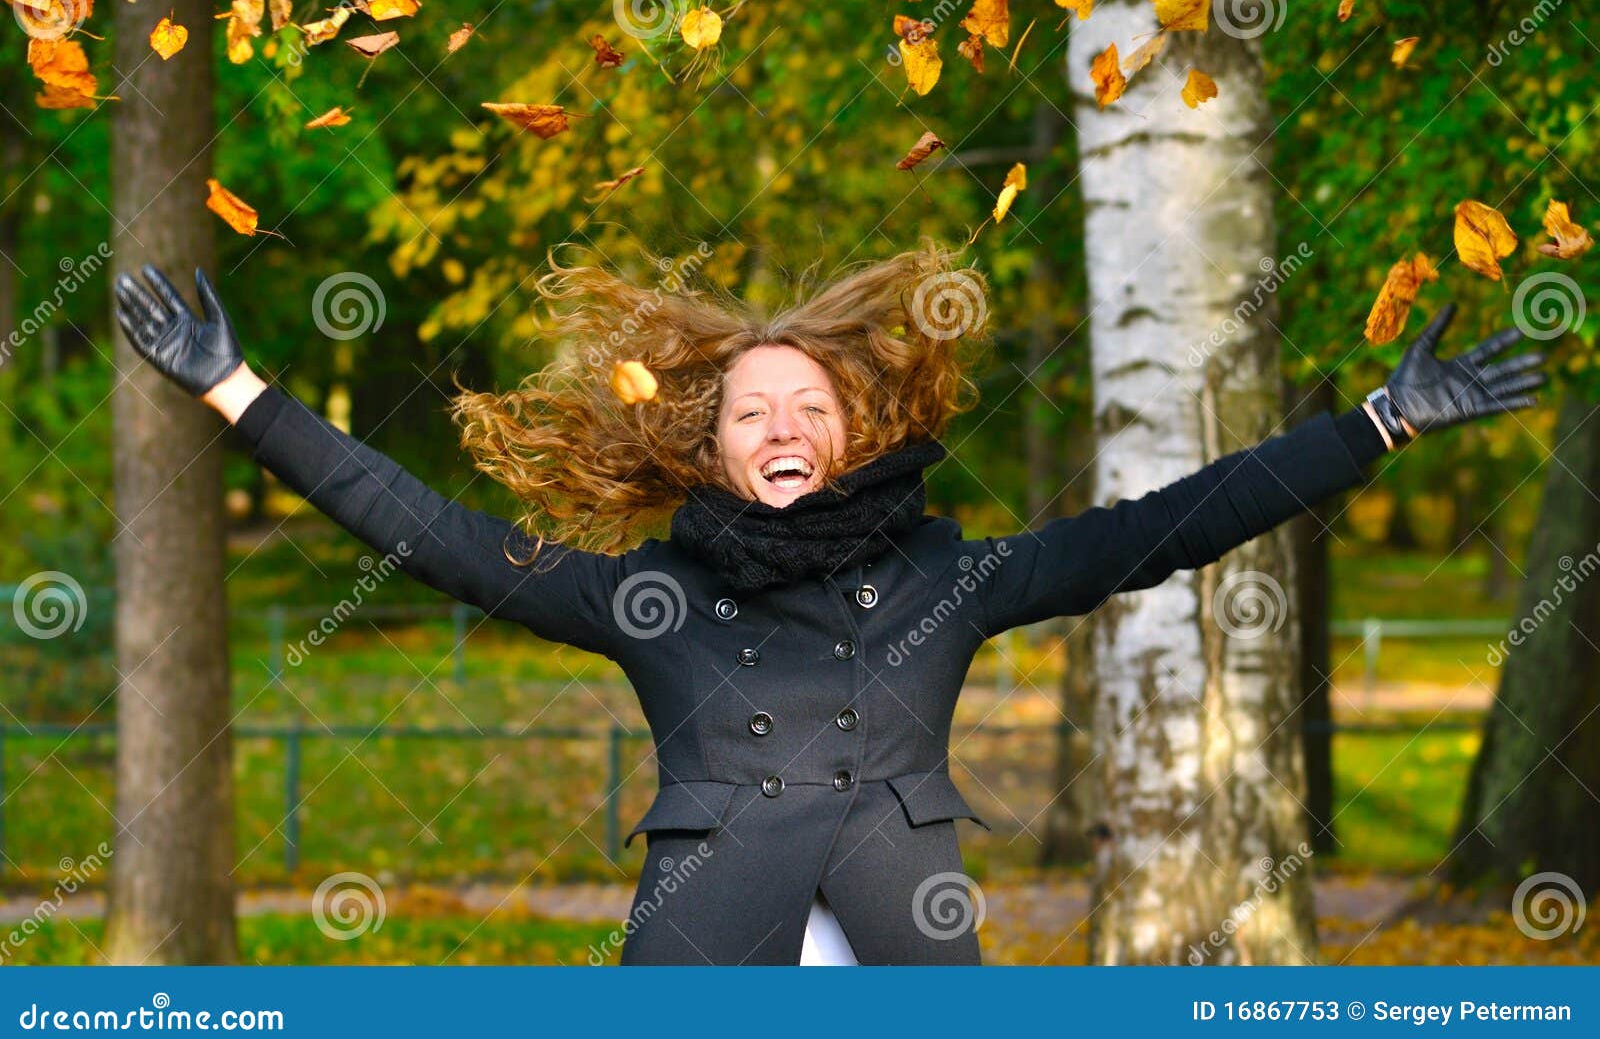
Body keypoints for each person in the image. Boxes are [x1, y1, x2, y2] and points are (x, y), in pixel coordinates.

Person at [113, 245, 1548, 964]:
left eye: (812, 405)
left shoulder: (944, 574)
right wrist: (239, 392)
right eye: (754, 410)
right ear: (715, 447)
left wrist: (1377, 423)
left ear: (853, 436)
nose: (785, 424)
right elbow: (430, 532)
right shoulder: (649, 592)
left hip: (904, 934)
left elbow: (1164, 527)